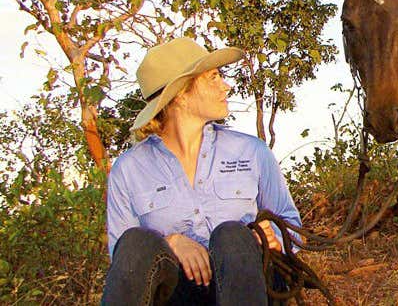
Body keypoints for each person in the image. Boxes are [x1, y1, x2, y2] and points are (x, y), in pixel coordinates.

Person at [101, 37, 302, 305]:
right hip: (178, 293)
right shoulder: (127, 170)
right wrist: (171, 242)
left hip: (251, 284)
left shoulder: (252, 151)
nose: (226, 86)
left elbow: (292, 227)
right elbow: (124, 260)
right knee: (136, 242)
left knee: (231, 235)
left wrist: (273, 237)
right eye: (214, 78)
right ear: (181, 94)